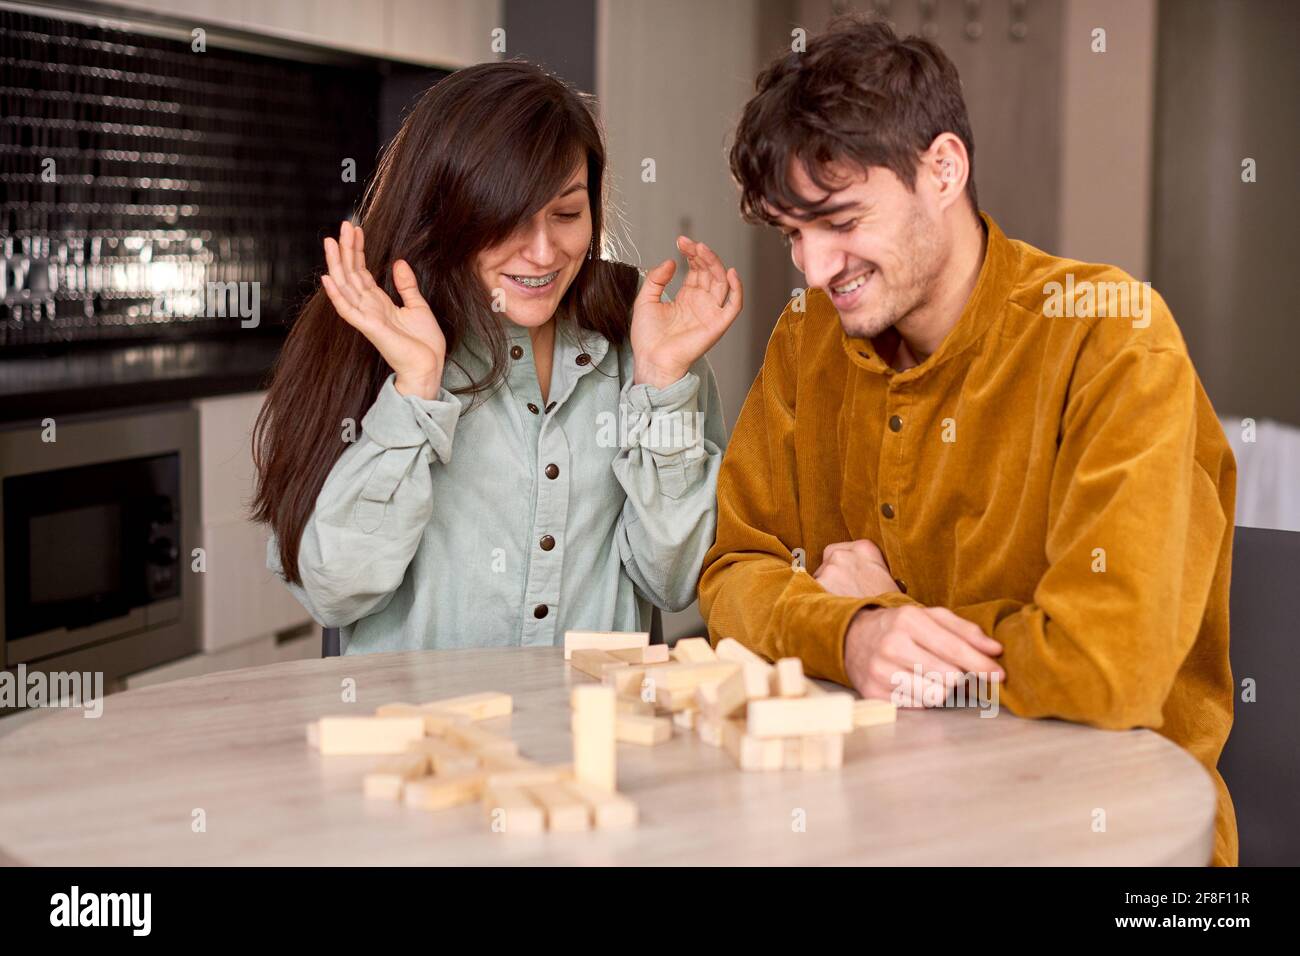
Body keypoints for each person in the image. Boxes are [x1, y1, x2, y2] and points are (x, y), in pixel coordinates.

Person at [700, 15, 1238, 866]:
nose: (811, 268)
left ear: (943, 170)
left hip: (1108, 834)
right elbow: (733, 570)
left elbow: (1109, 667)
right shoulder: (807, 337)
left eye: (840, 220)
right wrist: (846, 633)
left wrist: (890, 622)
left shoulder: (1113, 337)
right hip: (876, 815)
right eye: (792, 234)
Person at [253, 61, 742, 655]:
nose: (542, 253)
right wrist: (414, 392)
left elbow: (674, 583)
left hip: (592, 736)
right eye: (507, 219)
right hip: (423, 740)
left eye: (567, 214)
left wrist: (661, 385)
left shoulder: (643, 339)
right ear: (447, 213)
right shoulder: (369, 339)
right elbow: (336, 592)